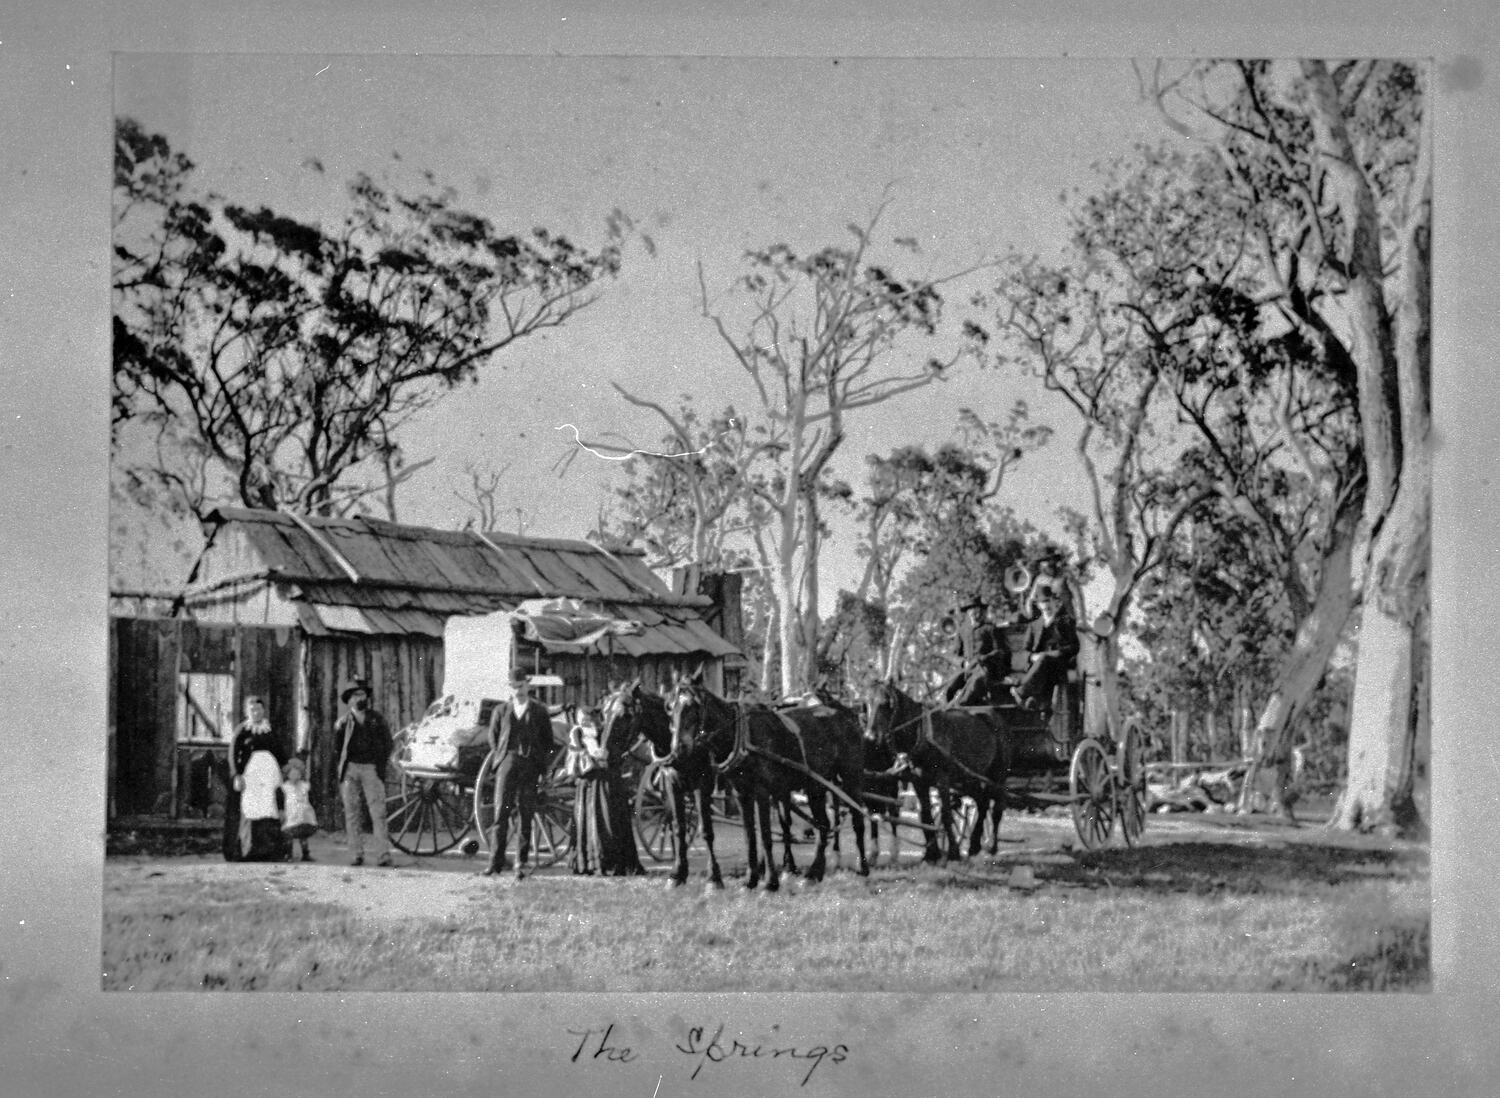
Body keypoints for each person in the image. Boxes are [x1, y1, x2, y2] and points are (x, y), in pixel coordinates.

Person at [480, 668, 556, 880]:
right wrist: (502, 758)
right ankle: (495, 862)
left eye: (521, 686)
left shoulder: (539, 711)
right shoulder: (501, 711)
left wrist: (541, 765)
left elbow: (549, 743)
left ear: (528, 685)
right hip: (507, 764)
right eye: (514, 687)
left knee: (525, 815)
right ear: (509, 688)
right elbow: (493, 739)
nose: (519, 691)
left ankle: (520, 863)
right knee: (500, 814)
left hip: (530, 767)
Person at [567, 706, 647, 877]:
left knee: (611, 820)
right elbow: (574, 755)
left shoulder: (607, 733)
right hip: (588, 784)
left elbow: (621, 753)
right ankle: (590, 863)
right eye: (582, 720)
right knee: (587, 822)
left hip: (608, 784)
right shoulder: (577, 734)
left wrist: (609, 754)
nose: (586, 723)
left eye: (589, 720)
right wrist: (589, 755)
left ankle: (613, 862)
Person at [333, 677, 394, 867]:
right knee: (352, 813)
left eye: (363, 694)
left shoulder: (377, 720)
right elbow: (337, 750)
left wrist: (378, 766)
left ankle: (383, 854)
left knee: (378, 812)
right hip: (350, 770)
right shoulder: (342, 724)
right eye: (356, 695)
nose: (360, 698)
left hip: (371, 769)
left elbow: (387, 744)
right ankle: (356, 854)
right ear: (349, 699)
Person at [225, 696, 286, 862]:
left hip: (270, 776)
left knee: (270, 808)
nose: (256, 712)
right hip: (250, 777)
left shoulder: (270, 730)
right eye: (252, 710)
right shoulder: (242, 730)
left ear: (263, 710)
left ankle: (270, 851)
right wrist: (236, 775)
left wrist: (286, 769)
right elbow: (232, 754)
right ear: (247, 712)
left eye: (258, 709)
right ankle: (249, 851)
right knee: (252, 808)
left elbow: (281, 753)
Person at [1012, 584, 1080, 713]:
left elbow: (1074, 646)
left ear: (1055, 602)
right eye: (1043, 602)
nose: (1046, 605)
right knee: (1042, 661)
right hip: (1038, 668)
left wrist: (1057, 653)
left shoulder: (1065, 622)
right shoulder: (1034, 626)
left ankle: (1022, 692)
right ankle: (1038, 703)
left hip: (1059, 665)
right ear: (1038, 605)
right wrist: (1032, 656)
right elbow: (1024, 651)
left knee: (1044, 659)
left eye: (1048, 601)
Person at [943, 597, 1007, 706]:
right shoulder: (963, 631)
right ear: (968, 613)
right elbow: (953, 655)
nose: (974, 613)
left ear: (982, 612)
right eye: (970, 610)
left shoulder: (990, 629)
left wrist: (983, 658)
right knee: (950, 687)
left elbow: (1000, 651)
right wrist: (963, 662)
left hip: (985, 668)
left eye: (976, 610)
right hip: (967, 668)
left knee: (976, 682)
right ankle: (943, 711)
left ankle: (960, 707)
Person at [1025, 551, 1083, 623]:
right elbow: (1032, 596)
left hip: (1050, 591)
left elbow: (1033, 596)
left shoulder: (1042, 580)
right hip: (1048, 594)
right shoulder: (1040, 580)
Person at [280, 755, 318, 862]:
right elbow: (282, 801)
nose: (295, 775)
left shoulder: (305, 786)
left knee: (303, 835)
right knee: (288, 834)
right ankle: (288, 854)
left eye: (297, 773)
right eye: (292, 773)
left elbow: (311, 798)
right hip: (291, 814)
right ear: (288, 774)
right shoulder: (285, 787)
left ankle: (305, 853)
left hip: (304, 815)